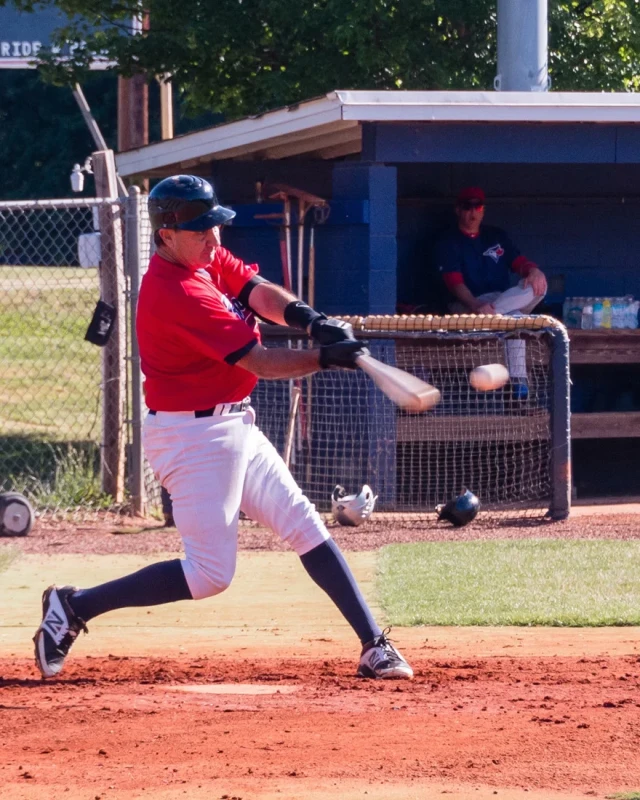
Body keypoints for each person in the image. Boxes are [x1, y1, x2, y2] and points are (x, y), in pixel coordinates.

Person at [33, 174, 413, 682]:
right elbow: (258, 360)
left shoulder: (202, 257)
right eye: (202, 231)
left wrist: (310, 319)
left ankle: (374, 645)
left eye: (216, 227)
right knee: (210, 574)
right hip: (191, 438)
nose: (215, 239)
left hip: (233, 422)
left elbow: (256, 291)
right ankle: (74, 605)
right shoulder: (177, 291)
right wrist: (324, 357)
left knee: (304, 524)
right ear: (167, 235)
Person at [433, 187, 548, 398]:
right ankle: (519, 383)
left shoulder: (495, 235)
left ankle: (493, 312)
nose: (472, 212)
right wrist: (475, 305)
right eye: (467, 207)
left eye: (477, 207)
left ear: (483, 210)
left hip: (499, 302)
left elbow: (518, 262)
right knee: (515, 319)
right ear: (458, 210)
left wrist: (533, 271)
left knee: (539, 285)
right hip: (468, 304)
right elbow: (454, 283)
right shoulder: (449, 241)